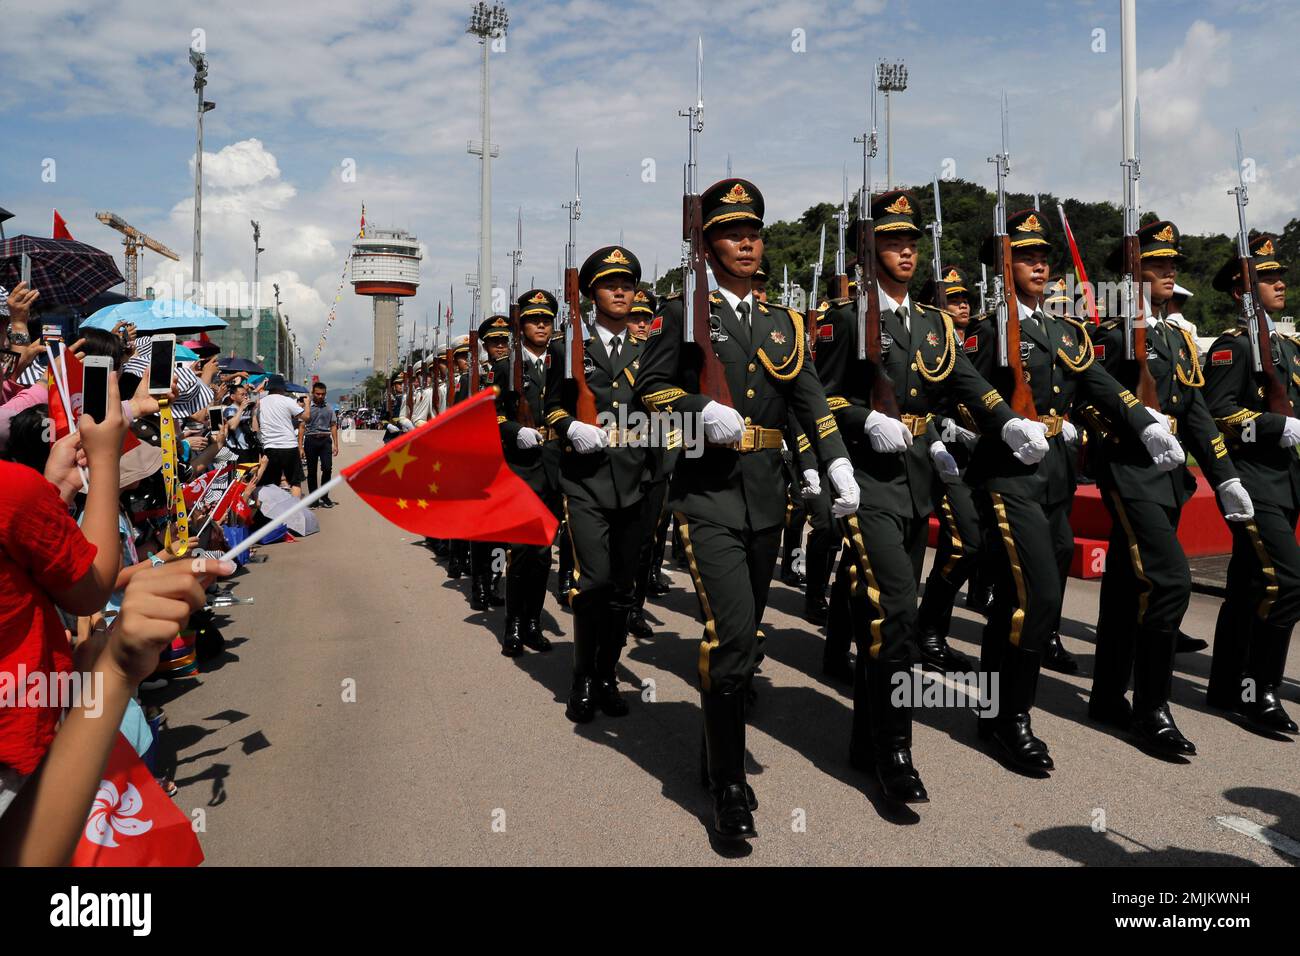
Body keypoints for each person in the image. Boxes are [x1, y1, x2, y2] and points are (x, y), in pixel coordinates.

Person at [635, 179, 857, 842]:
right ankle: (730, 784)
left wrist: (835, 458)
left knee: (748, 637)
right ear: (706, 246)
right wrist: (700, 409)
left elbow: (810, 401)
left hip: (767, 494)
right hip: (707, 494)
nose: (748, 243)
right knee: (731, 636)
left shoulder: (785, 320)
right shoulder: (680, 313)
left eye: (754, 233)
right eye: (733, 233)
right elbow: (648, 394)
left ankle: (715, 741)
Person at [816, 192, 1051, 804]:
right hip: (868, 481)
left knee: (886, 615)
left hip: (918, 481)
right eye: (893, 242)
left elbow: (970, 384)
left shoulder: (935, 322)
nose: (906, 251)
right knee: (896, 614)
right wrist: (865, 417)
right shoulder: (846, 318)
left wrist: (1007, 421)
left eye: (912, 242)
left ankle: (866, 739)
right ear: (868, 252)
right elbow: (819, 397)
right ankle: (895, 751)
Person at [964, 208, 1183, 774]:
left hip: (1058, 470)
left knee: (1028, 598)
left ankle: (991, 706)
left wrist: (1143, 420)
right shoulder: (990, 329)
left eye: (1044, 258)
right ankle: (1013, 720)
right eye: (1026, 256)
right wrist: (1002, 424)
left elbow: (1100, 382)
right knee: (1035, 595)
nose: (1039, 264)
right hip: (1010, 473)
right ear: (1002, 264)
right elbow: (960, 395)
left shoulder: (1065, 330)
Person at [1082, 221, 1253, 756]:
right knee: (1171, 581)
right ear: (1133, 275)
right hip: (1130, 474)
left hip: (1171, 477)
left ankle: (1108, 694)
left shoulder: (1176, 336)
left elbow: (1198, 411)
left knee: (1128, 587)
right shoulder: (1112, 336)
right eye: (1157, 264)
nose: (1170, 270)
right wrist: (1138, 423)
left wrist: (1224, 475)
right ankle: (1151, 708)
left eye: (1172, 262)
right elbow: (1087, 401)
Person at [545, 246, 653, 724]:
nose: (620, 291)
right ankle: (583, 677)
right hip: (587, 479)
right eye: (611, 285)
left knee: (624, 589)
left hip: (638, 478)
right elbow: (551, 405)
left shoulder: (648, 348)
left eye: (627, 284)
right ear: (592, 294)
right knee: (594, 583)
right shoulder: (571, 349)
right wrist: (570, 427)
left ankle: (608, 674)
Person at [1201, 233, 1298, 734]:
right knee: (1288, 584)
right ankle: (1260, 690)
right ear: (1243, 289)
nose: (1281, 282)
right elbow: (1216, 414)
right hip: (1255, 483)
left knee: (1246, 586)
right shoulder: (1232, 348)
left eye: (1281, 274)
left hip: (1288, 485)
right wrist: (1274, 424)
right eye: (1267, 277)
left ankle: (1225, 685)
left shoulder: (1287, 347)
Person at [912, 264, 987, 672]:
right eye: (951, 299)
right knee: (965, 543)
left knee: (967, 545)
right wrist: (944, 430)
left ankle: (931, 631)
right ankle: (926, 631)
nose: (961, 305)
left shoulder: (976, 342)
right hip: (934, 454)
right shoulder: (924, 341)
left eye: (964, 299)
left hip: (975, 459)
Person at [496, 293, 563, 656]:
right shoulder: (507, 367)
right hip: (521, 469)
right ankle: (514, 624)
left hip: (552, 467)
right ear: (521, 327)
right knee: (521, 552)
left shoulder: (561, 362)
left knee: (542, 554)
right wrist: (514, 432)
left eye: (547, 319)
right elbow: (493, 415)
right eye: (534, 320)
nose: (541, 325)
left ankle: (534, 622)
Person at [625, 288, 674, 640]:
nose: (642, 324)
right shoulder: (614, 354)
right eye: (635, 318)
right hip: (623, 457)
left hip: (657, 457)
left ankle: (634, 607)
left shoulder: (662, 351)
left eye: (646, 318)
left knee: (646, 541)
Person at [253, 375, 306, 498]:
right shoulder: (287, 400)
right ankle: (295, 512)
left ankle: (274, 512)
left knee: (271, 483)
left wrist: (259, 388)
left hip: (270, 447)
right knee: (295, 482)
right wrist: (307, 404)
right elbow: (306, 417)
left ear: (269, 387)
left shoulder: (260, 402)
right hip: (289, 446)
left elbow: (251, 399)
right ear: (282, 388)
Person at [300, 381, 340, 508]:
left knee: (327, 468)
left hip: (325, 441)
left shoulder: (329, 408)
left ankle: (324, 496)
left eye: (323, 394)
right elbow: (301, 427)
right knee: (312, 471)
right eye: (317, 394)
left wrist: (336, 444)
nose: (320, 396)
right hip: (311, 440)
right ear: (313, 393)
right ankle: (314, 498)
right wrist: (300, 446)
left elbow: (333, 425)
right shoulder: (307, 408)